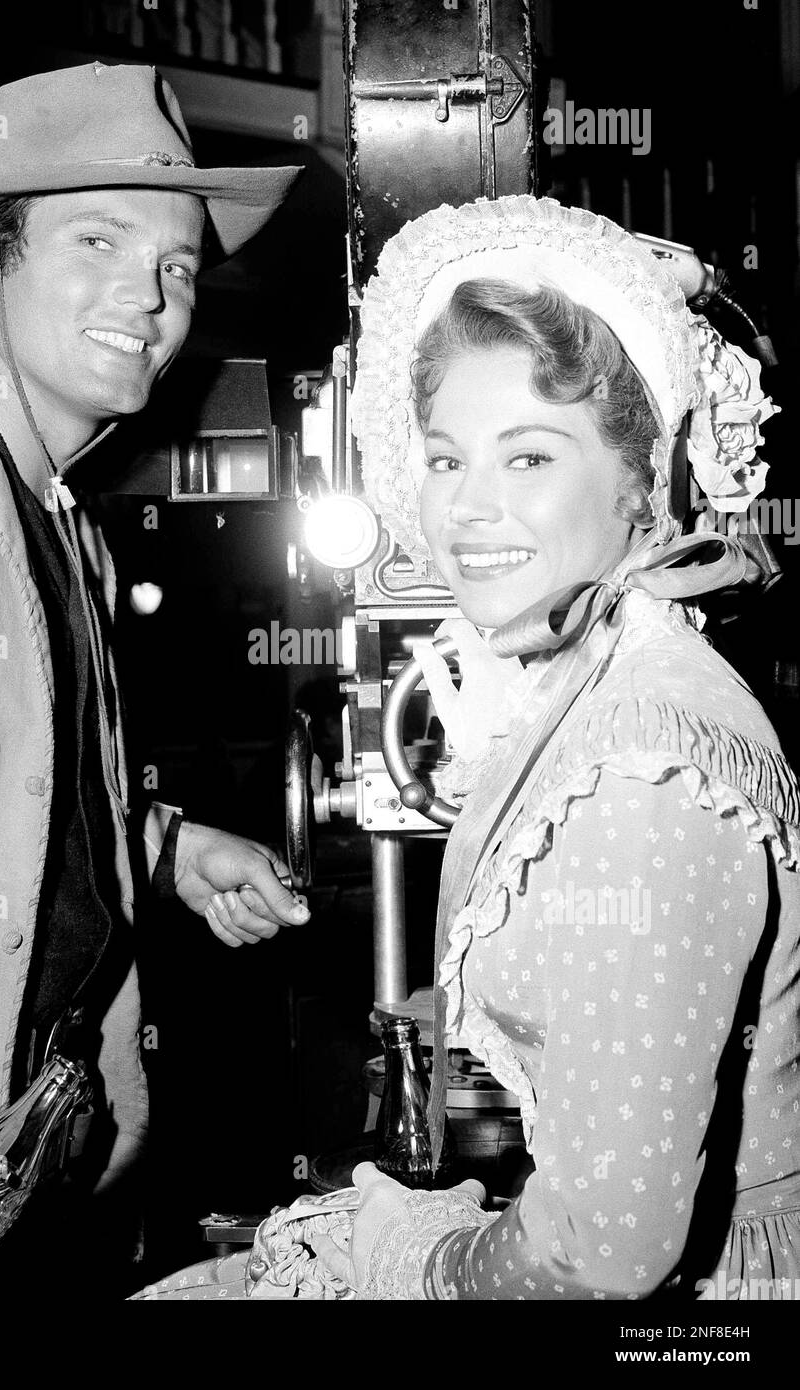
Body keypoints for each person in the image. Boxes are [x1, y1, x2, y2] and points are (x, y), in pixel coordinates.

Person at [0, 63, 307, 1298]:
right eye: (98, 238)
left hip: (39, 1196)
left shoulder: (58, 514)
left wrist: (162, 848)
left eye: (178, 264)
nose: (147, 293)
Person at [316, 195, 800, 1299]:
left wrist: (417, 1264)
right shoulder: (610, 681)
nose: (467, 511)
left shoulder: (641, 769)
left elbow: (606, 1251)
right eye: (446, 459)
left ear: (641, 477)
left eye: (527, 457)